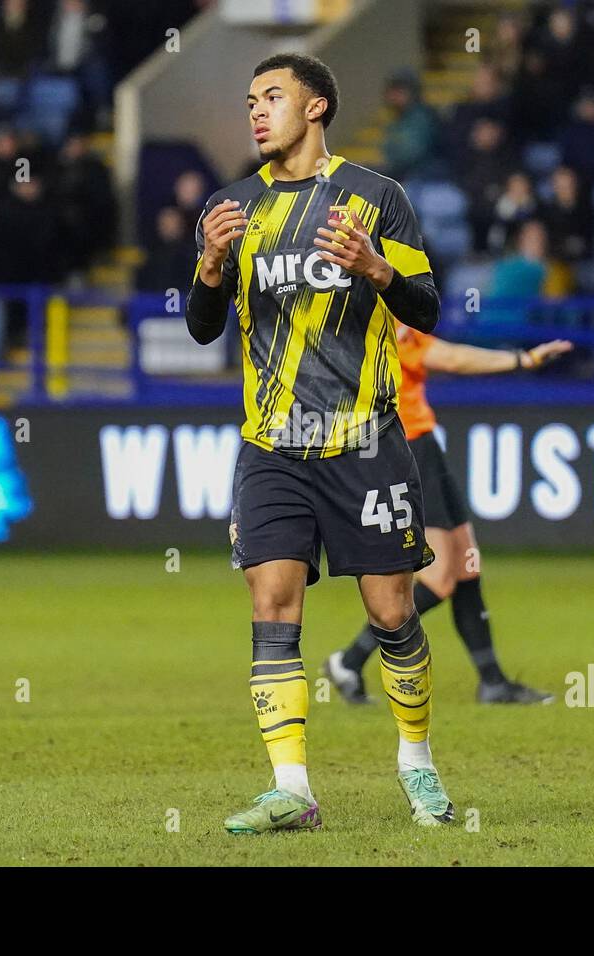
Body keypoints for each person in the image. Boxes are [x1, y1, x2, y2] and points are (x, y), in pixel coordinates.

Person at [185, 53, 450, 834]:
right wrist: (207, 267)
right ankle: (293, 789)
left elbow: (428, 308)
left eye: (273, 96)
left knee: (392, 610)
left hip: (364, 440)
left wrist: (376, 270)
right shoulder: (234, 206)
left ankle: (417, 763)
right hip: (272, 445)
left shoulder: (376, 198)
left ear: (318, 107)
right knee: (272, 603)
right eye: (250, 99)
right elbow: (203, 327)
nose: (256, 111)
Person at [326, 329, 572, 705]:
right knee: (439, 578)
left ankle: (492, 682)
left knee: (467, 566)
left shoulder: (375, 320)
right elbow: (451, 358)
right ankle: (350, 658)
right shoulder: (385, 323)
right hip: (403, 450)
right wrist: (524, 360)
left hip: (422, 447)